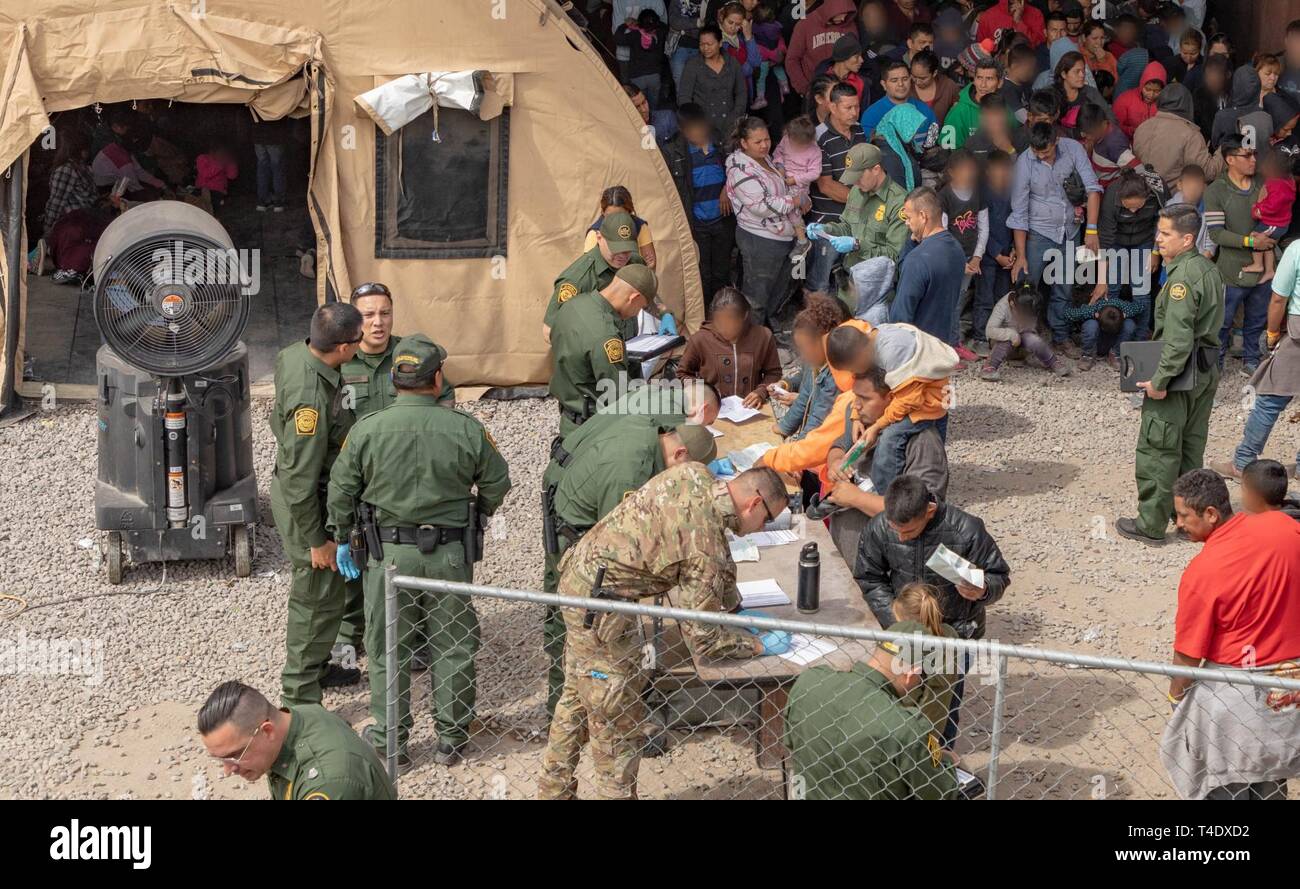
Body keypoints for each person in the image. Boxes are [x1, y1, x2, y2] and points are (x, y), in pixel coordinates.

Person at [537, 464, 785, 799]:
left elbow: (717, 554)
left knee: (577, 698)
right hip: (602, 612)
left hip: (583, 582)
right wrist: (756, 645)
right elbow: (704, 638)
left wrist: (734, 605)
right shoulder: (705, 543)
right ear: (753, 504)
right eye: (768, 519)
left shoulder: (697, 474)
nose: (763, 528)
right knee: (616, 719)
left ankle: (553, 791)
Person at [326, 334, 511, 769]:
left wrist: (341, 534)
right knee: (454, 644)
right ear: (438, 379)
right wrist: (476, 514)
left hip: (386, 556)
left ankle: (393, 742)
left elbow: (340, 491)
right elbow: (497, 483)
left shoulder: (366, 430)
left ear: (393, 379)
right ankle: (451, 737)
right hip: (448, 553)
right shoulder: (467, 429)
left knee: (389, 646)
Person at [539, 417, 717, 715]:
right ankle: (577, 707)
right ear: (680, 455)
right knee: (584, 636)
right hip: (580, 549)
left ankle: (582, 704)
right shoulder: (629, 471)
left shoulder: (649, 436)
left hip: (581, 532)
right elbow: (620, 548)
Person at [329, 282, 456, 672]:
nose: (378, 322)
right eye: (368, 315)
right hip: (355, 479)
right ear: (354, 319)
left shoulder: (411, 355)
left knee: (410, 557)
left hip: (404, 484)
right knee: (351, 566)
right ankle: (348, 641)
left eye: (384, 312)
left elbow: (445, 403)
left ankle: (415, 637)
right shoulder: (340, 361)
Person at [1159, 469, 1300, 801]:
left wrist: (1174, 697)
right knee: (1271, 778)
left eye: (1182, 515)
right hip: (1287, 686)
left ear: (1210, 514)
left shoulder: (1204, 571)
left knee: (1226, 785)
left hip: (1234, 698)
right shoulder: (1284, 527)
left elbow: (1189, 654)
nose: (1178, 524)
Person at [855, 475, 1011, 743]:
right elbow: (869, 577)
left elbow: (999, 575)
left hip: (953, 637)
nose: (902, 537)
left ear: (929, 510)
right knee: (896, 706)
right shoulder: (880, 527)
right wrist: (896, 620)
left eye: (909, 531)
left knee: (943, 709)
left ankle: (940, 764)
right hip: (902, 634)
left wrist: (983, 589)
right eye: (896, 531)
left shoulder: (967, 529)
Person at [1115, 204, 1225, 546]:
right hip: (1205, 370)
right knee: (1192, 447)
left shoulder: (1181, 280)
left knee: (1159, 448)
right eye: (1158, 232)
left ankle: (1150, 524)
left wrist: (1159, 381)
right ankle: (1191, 520)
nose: (1158, 239)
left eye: (1166, 234)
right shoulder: (1208, 270)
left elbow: (1177, 341)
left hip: (1179, 373)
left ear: (1188, 238)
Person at [271, 303, 364, 705]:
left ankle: (319, 668)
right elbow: (299, 478)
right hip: (308, 505)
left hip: (308, 490)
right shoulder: (311, 401)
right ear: (342, 348)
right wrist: (317, 539)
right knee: (316, 600)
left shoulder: (294, 354)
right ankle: (300, 696)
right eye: (358, 340)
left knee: (326, 596)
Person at [782, 620, 959, 800]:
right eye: (922, 680)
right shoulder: (906, 726)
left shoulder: (809, 682)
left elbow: (790, 742)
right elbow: (941, 792)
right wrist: (947, 763)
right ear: (911, 674)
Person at [823, 365, 949, 560]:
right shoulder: (868, 424)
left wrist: (856, 498)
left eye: (864, 399)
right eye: (855, 396)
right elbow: (839, 445)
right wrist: (836, 462)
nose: (856, 406)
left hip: (888, 568)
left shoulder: (922, 442)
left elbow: (923, 512)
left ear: (891, 398)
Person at [198, 680, 395, 800]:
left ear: (267, 731)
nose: (227, 770)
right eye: (220, 759)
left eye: (234, 756)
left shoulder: (326, 783)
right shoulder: (293, 719)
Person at [824, 321, 956, 493]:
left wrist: (879, 425)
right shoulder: (869, 344)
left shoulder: (894, 352)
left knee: (892, 438)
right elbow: (842, 442)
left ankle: (884, 492)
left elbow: (909, 400)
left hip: (928, 401)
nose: (853, 373)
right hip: (908, 395)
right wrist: (856, 415)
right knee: (858, 415)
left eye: (853, 367)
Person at [1008, 121, 1104, 356]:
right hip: (1038, 233)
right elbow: (1019, 212)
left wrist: (1091, 230)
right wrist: (1020, 254)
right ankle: (1023, 338)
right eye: (1036, 152)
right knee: (1028, 285)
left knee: (1064, 286)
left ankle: (1060, 336)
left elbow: (1093, 188)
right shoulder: (1024, 162)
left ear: (1056, 141)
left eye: (1046, 151)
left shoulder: (1073, 149)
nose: (1040, 156)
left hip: (1070, 230)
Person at [1210, 236, 1300, 480]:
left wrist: (1271, 334)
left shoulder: (1297, 249)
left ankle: (1243, 462)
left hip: (1297, 334)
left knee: (1270, 397)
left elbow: (1278, 298)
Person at [549, 264, 658, 437]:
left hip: (569, 415)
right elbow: (620, 396)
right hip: (593, 428)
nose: (636, 313)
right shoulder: (606, 335)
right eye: (641, 307)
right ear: (634, 298)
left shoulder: (574, 304)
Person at [807, 142, 909, 317]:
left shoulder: (898, 202)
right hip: (849, 280)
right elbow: (847, 225)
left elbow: (894, 255)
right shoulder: (857, 191)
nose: (855, 182)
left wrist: (857, 245)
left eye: (859, 176)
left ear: (876, 169)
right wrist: (826, 228)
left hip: (878, 289)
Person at [1205, 135, 1273, 375]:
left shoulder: (1263, 182)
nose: (1253, 159)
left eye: (1254, 154)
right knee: (1222, 322)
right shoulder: (1216, 191)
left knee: (1256, 318)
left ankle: (1251, 358)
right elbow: (1216, 235)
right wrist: (1250, 241)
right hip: (1232, 269)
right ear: (1230, 159)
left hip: (1264, 268)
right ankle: (1217, 362)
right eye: (1247, 155)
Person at [726, 116, 804, 326]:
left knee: (776, 290)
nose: (764, 145)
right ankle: (752, 340)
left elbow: (781, 187)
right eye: (757, 142)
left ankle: (767, 333)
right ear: (743, 143)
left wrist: (797, 197)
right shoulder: (739, 169)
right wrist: (794, 201)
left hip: (781, 236)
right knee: (756, 296)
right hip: (759, 239)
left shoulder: (765, 159)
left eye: (767, 139)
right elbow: (759, 205)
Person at [662, 104, 734, 307]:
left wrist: (728, 187)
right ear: (683, 130)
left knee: (722, 272)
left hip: (723, 220)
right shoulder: (674, 151)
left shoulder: (721, 144)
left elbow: (738, 170)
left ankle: (723, 314)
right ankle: (705, 318)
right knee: (702, 274)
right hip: (696, 224)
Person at [542, 211, 642, 344]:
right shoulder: (577, 279)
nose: (623, 255)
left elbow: (645, 293)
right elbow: (549, 332)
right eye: (616, 248)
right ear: (599, 238)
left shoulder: (634, 263)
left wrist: (663, 313)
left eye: (627, 248)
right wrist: (593, 348)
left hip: (631, 352)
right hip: (595, 359)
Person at [806, 82, 867, 299]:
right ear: (832, 107)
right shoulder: (818, 137)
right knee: (820, 282)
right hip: (828, 220)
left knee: (848, 276)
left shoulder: (859, 131)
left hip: (856, 219)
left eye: (856, 107)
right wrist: (862, 200)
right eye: (848, 108)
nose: (854, 112)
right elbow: (826, 185)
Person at [891, 186, 969, 349]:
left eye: (909, 218)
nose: (906, 223)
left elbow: (901, 315)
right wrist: (913, 241)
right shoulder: (957, 250)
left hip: (917, 350)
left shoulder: (917, 259)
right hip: (943, 346)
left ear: (923, 216)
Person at [677, 286, 781, 405]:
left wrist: (761, 392)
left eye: (731, 324)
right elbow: (683, 373)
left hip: (750, 410)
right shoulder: (701, 339)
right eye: (719, 324)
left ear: (745, 317)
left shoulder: (763, 337)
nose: (724, 329)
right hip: (710, 410)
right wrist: (704, 392)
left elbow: (774, 373)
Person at [774, 295, 847, 441]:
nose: (802, 354)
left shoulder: (836, 375)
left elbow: (818, 419)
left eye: (804, 347)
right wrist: (784, 427)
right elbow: (804, 396)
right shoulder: (815, 363)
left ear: (824, 342)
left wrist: (796, 450)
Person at [40, 129, 108, 285]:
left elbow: (56, 202)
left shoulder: (65, 170)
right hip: (89, 221)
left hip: (73, 223)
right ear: (82, 150)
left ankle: (40, 259)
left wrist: (47, 230)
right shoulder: (85, 169)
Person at [937, 152, 988, 355]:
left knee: (959, 301)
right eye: (963, 170)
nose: (968, 174)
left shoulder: (978, 194)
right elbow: (942, 233)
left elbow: (983, 228)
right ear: (951, 172)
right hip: (951, 259)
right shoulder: (945, 196)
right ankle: (945, 346)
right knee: (948, 302)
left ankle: (955, 344)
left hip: (970, 258)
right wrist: (958, 262)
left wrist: (977, 257)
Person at [1133, 82, 1225, 193]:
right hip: (1172, 202)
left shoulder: (1142, 127)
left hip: (1142, 197)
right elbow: (1208, 172)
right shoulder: (1190, 134)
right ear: (1188, 105)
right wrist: (1224, 149)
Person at [972, 150, 1016, 356]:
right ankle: (980, 337)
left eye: (1006, 169)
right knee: (984, 298)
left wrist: (1015, 249)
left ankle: (1000, 338)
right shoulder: (981, 193)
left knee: (1003, 298)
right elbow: (980, 229)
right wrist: (996, 253)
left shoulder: (1012, 192)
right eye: (998, 169)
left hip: (1008, 257)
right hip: (988, 258)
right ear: (988, 171)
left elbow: (1018, 221)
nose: (1003, 173)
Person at [678, 25, 749, 145]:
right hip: (704, 127)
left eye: (709, 44)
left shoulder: (732, 63)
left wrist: (736, 116)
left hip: (730, 124)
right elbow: (684, 97)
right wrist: (695, 123)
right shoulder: (693, 65)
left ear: (720, 43)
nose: (705, 48)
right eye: (701, 44)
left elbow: (741, 93)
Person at [1241, 148, 1296, 280]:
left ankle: (1258, 264)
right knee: (1269, 245)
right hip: (1281, 223)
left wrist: (1257, 209)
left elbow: (1271, 207)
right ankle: (1270, 271)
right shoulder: (1287, 181)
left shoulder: (1278, 187)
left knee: (1255, 238)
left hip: (1274, 224)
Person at [771, 113, 822, 250]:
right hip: (781, 177)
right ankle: (783, 234)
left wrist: (795, 179)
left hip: (799, 185)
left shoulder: (814, 151)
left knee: (793, 210)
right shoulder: (786, 140)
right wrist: (780, 166)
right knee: (776, 204)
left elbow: (815, 173)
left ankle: (802, 240)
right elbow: (777, 153)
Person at [786, 0, 857, 96]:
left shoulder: (850, 25)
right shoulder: (804, 25)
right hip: (815, 93)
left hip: (844, 93)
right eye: (841, 13)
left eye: (847, 13)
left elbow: (855, 57)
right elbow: (792, 60)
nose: (844, 18)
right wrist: (805, 88)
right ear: (831, 9)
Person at [582, 186, 656, 270]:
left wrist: (649, 270)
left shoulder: (640, 227)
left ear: (629, 211)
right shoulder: (594, 233)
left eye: (620, 216)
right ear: (603, 212)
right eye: (610, 216)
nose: (615, 221)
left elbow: (650, 265)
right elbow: (589, 269)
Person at [860, 59, 937, 137]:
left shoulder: (925, 110)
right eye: (894, 80)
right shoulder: (871, 115)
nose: (901, 84)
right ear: (883, 84)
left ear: (910, 80)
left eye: (905, 79)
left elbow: (934, 141)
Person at [1211, 65, 1272, 154]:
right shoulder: (1265, 115)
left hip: (1229, 163)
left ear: (1235, 85)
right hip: (1259, 164)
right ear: (1258, 87)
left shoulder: (1223, 116)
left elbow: (1215, 144)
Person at [615, 8, 667, 108]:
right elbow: (664, 26)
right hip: (655, 77)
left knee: (641, 108)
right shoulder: (660, 33)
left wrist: (625, 25)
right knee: (653, 107)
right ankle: (652, 123)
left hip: (637, 77)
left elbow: (618, 38)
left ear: (640, 23)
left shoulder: (635, 35)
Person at [251, 117, 292, 212]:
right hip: (275, 134)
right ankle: (278, 202)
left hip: (258, 135)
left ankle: (262, 201)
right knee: (277, 169)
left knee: (262, 168)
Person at [908, 50, 960, 123]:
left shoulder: (948, 86)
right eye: (914, 76)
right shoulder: (906, 87)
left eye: (923, 78)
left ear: (934, 73)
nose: (917, 82)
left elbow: (959, 115)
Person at [977, 0, 1045, 49]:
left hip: (1026, 66)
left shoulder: (1036, 14)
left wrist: (1019, 22)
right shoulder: (988, 16)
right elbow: (982, 51)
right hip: (997, 67)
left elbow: (1038, 49)